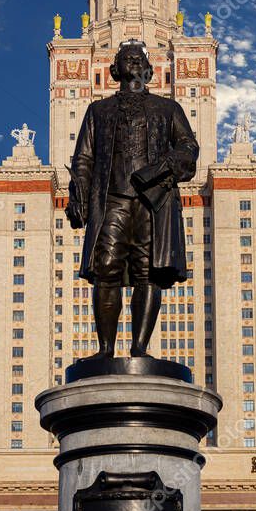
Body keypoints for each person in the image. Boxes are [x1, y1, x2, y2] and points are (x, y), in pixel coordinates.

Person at [66, 39, 199, 358]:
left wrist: (161, 168)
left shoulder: (168, 109)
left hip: (153, 202)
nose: (135, 61)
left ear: (150, 70)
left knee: (147, 271)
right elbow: (83, 157)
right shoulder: (99, 110)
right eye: (127, 58)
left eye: (140, 59)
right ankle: (105, 349)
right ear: (115, 69)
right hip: (111, 199)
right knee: (106, 267)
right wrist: (79, 196)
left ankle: (139, 348)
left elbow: (188, 148)